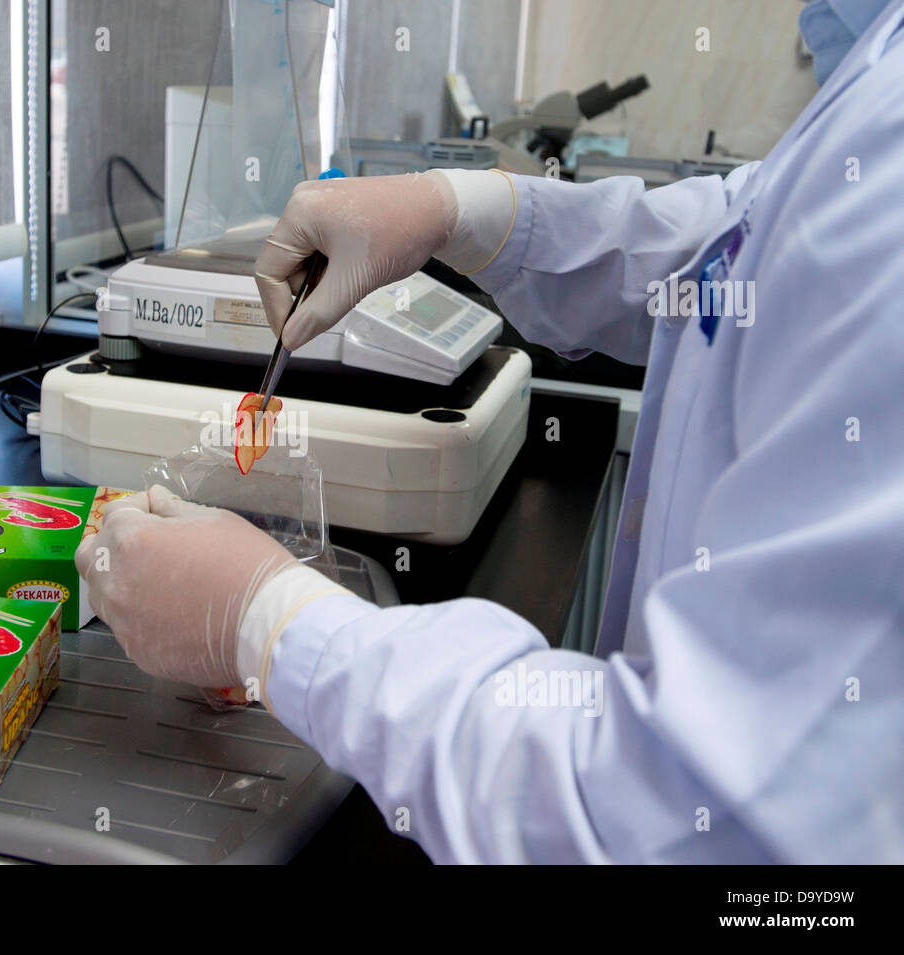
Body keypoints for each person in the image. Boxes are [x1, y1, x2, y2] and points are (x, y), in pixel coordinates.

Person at [75, 0, 904, 862]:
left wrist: (271, 624)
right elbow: (731, 242)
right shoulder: (874, 81)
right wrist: (464, 209)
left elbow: (671, 811)